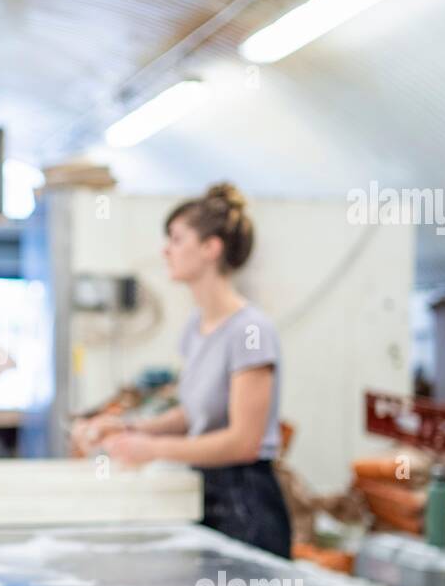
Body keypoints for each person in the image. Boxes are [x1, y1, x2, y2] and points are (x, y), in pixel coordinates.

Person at [77, 183, 292, 557]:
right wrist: (129, 427)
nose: (166, 250)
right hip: (205, 490)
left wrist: (151, 448)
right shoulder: (196, 328)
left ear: (211, 248)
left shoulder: (250, 331)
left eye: (176, 239)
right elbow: (194, 413)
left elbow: (244, 442)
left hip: (248, 502)